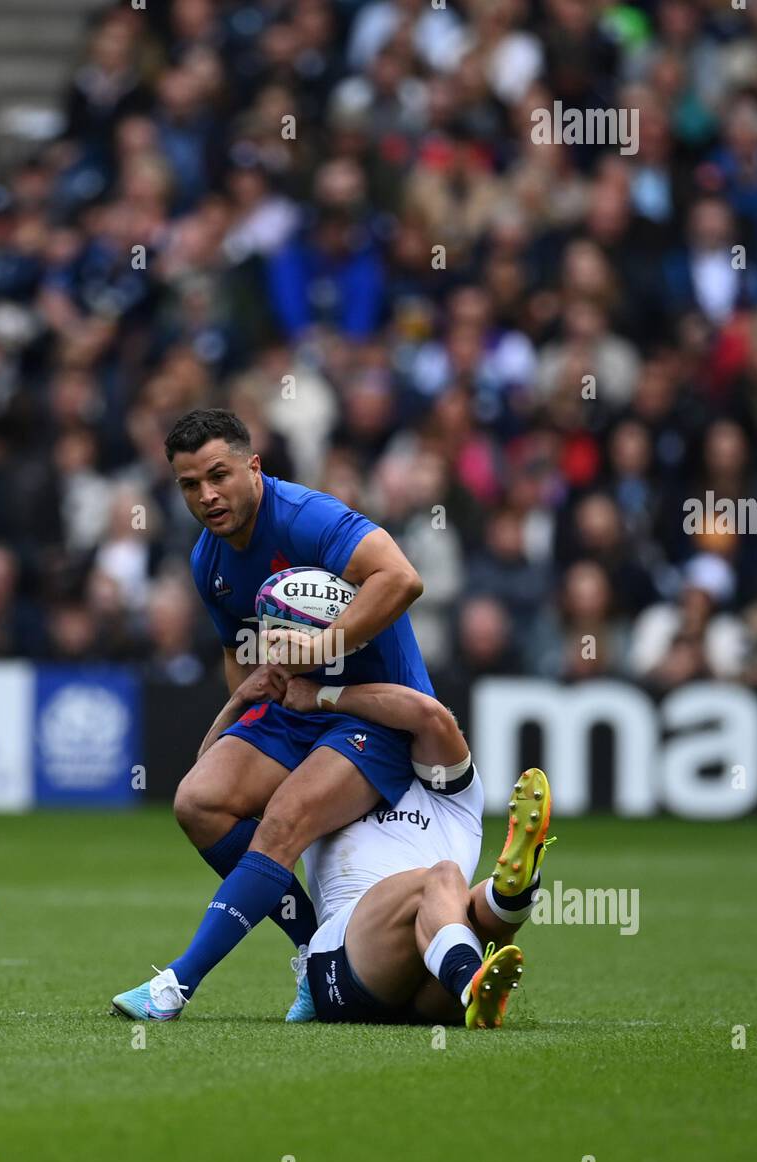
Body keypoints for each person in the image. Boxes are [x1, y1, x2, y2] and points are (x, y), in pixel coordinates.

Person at [110, 406, 430, 1021]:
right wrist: (247, 715)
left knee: (282, 821)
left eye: (219, 475)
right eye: (188, 485)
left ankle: (176, 984)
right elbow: (243, 660)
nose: (207, 495)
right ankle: (315, 952)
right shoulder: (209, 561)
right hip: (296, 711)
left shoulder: (311, 518)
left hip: (375, 711)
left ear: (253, 467)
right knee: (196, 802)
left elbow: (402, 579)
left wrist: (322, 645)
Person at [278, 676, 552, 1028]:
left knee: (467, 902)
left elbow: (428, 714)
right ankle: (506, 911)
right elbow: (215, 799)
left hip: (430, 986)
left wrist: (320, 696)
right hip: (344, 967)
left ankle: (502, 907)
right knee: (444, 878)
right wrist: (237, 704)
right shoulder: (319, 784)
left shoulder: (455, 794)